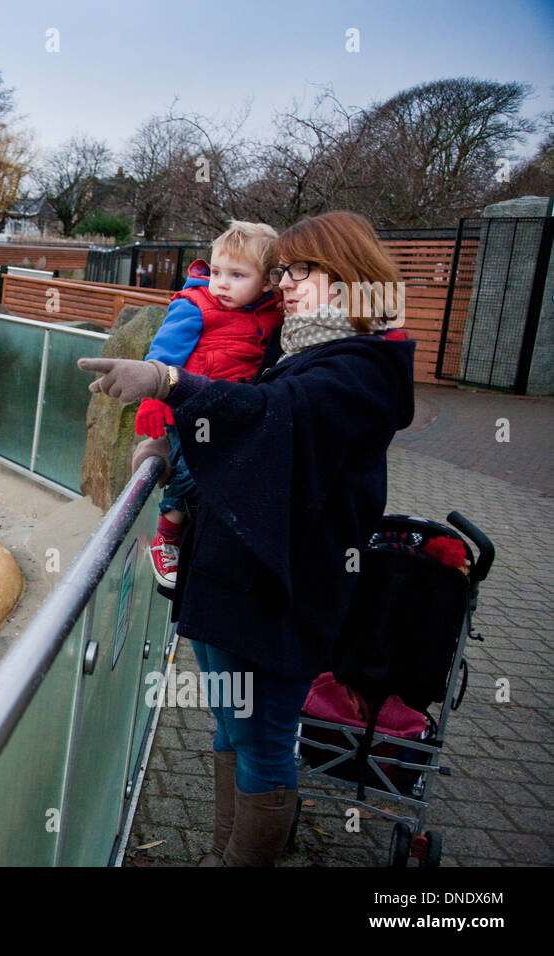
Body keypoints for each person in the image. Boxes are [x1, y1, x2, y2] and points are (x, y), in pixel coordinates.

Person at [78, 210, 414, 866]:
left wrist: (170, 382)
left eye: (303, 269)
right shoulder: (304, 349)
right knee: (234, 732)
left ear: (349, 276)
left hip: (281, 595)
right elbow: (252, 436)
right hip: (238, 585)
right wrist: (177, 452)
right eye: (283, 269)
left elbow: (271, 417)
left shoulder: (359, 367)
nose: (285, 281)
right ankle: (219, 856)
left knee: (261, 742)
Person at [135, 222, 284, 589]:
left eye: (237, 275)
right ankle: (166, 534)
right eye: (216, 272)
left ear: (267, 282)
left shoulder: (271, 311)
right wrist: (154, 401)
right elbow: (164, 354)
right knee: (194, 468)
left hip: (232, 410)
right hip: (191, 408)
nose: (221, 283)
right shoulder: (195, 306)